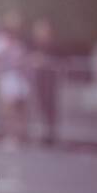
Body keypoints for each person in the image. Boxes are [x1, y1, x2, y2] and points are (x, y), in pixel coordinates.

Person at [29, 17, 59, 146]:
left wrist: (45, 61)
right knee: (40, 106)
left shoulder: (54, 45)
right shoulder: (33, 44)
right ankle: (42, 134)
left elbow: (60, 60)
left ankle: (50, 135)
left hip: (50, 81)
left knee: (49, 107)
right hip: (38, 80)